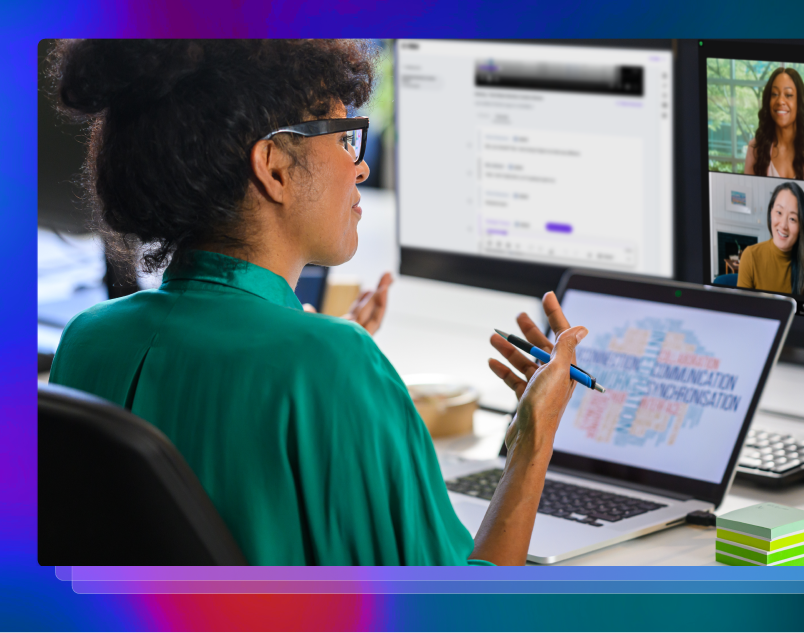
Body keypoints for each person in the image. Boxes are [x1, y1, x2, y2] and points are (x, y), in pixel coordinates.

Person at [46, 39, 587, 566]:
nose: (361, 167)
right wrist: (532, 439)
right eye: (344, 137)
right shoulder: (332, 362)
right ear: (275, 166)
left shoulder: (89, 338)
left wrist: (318, 359)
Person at [743, 67, 804, 182]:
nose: (780, 101)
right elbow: (748, 196)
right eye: (774, 94)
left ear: (799, 104)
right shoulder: (755, 149)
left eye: (788, 95)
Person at [737, 182, 804, 297]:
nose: (783, 225)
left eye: (792, 219)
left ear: (802, 226)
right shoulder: (750, 257)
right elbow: (743, 311)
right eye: (779, 212)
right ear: (771, 212)